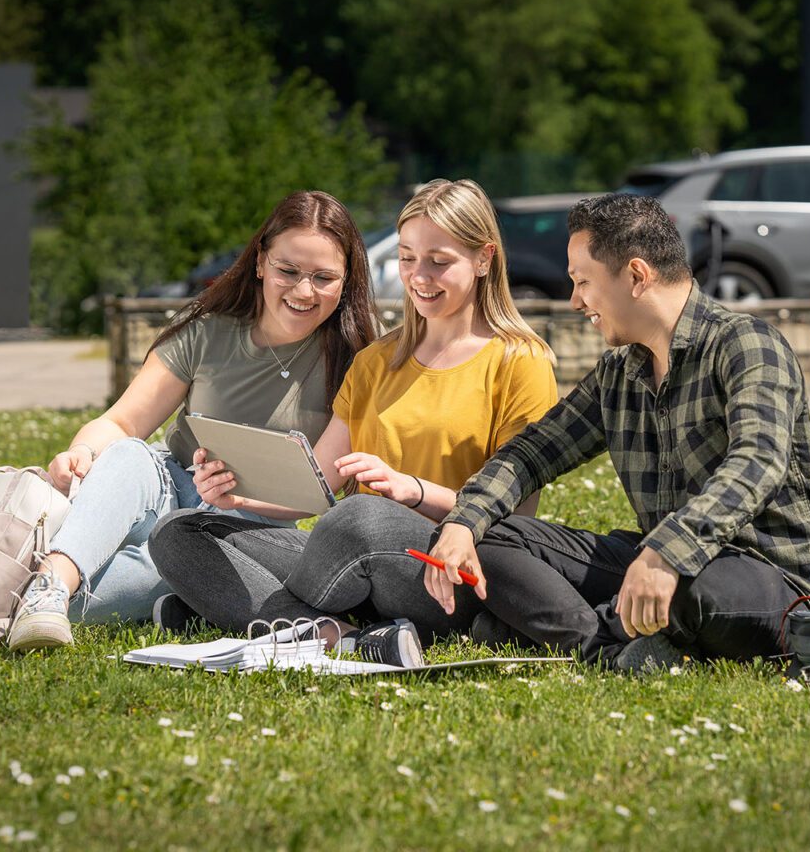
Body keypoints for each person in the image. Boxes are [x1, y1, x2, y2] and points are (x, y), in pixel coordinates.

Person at [0, 191, 379, 652]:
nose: (304, 291)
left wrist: (239, 502)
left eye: (323, 278)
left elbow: (320, 489)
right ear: (260, 261)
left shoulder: (355, 360)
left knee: (121, 591)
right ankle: (51, 583)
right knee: (127, 456)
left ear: (346, 279)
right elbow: (122, 423)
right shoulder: (208, 331)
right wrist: (82, 454)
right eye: (288, 270)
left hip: (236, 530)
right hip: (159, 488)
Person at [422, 193, 810, 672]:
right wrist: (463, 521)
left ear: (637, 276)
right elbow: (531, 454)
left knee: (695, 590)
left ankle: (551, 626)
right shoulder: (619, 373)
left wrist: (667, 551)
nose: (575, 300)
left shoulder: (747, 343)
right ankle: (605, 647)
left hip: (773, 577)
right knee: (493, 536)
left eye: (583, 282)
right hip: (657, 565)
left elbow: (757, 463)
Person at [149, 179, 558, 655]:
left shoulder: (520, 361)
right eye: (407, 258)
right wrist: (240, 493)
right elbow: (316, 487)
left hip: (450, 568)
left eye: (439, 261)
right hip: (348, 556)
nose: (419, 276)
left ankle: (249, 614)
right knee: (180, 531)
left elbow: (519, 518)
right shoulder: (376, 361)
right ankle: (339, 635)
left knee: (361, 516)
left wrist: (413, 491)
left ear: (484, 259)